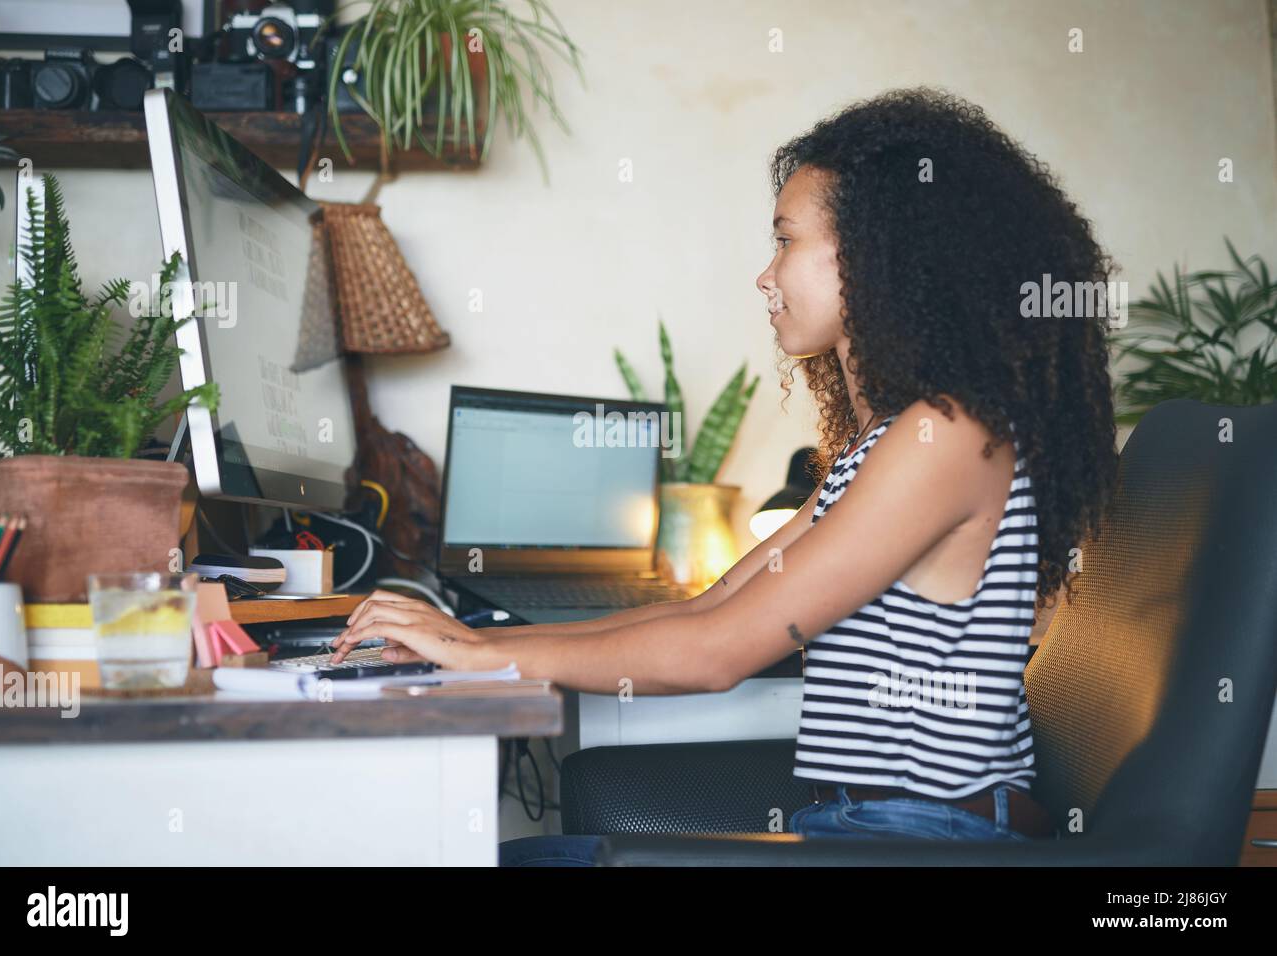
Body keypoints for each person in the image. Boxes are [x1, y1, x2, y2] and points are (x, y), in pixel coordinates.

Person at [331, 87, 1119, 866]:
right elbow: (712, 606)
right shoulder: (886, 439)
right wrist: (474, 641)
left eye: (786, 241)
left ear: (881, 252)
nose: (764, 274)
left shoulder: (942, 434)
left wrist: (478, 657)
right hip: (863, 828)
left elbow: (717, 653)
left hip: (925, 841)